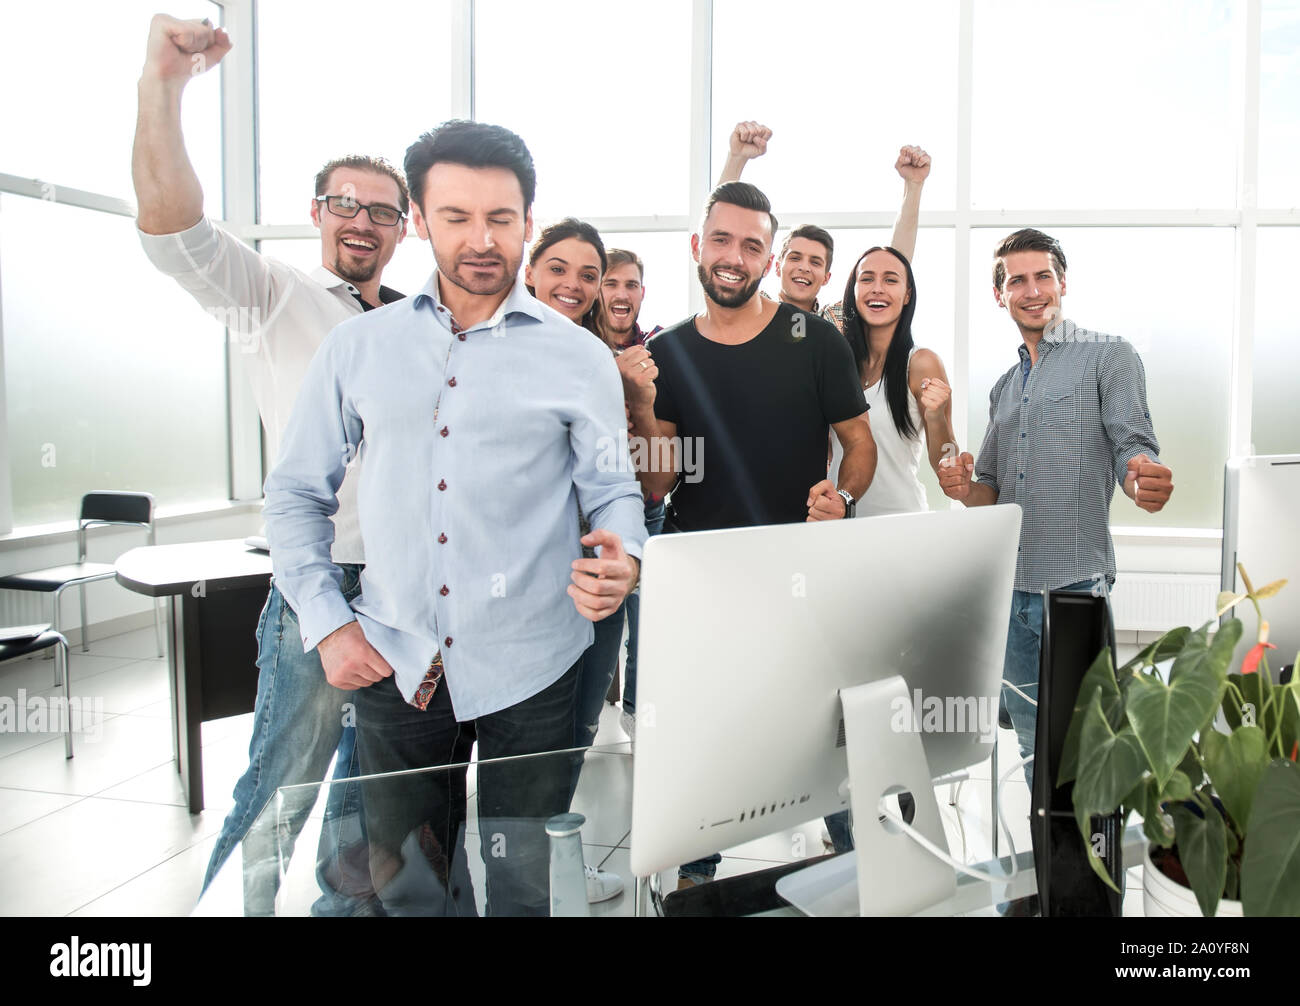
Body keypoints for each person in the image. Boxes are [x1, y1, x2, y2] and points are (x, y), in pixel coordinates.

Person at [261, 119, 646, 916]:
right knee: (411, 888)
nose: (481, 239)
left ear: (527, 224)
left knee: (522, 886)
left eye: (501, 219)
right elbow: (297, 494)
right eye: (456, 217)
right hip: (395, 666)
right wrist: (329, 623)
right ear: (421, 222)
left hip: (536, 666)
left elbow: (613, 492)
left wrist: (625, 557)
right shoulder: (358, 348)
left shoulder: (578, 357)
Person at [133, 13, 407, 915]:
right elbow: (174, 231)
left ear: (401, 230)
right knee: (280, 781)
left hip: (408, 589)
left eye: (381, 210)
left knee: (372, 792)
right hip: (316, 587)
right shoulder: (275, 294)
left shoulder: (418, 326)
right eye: (344, 204)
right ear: (316, 212)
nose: (361, 221)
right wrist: (163, 87)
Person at [619, 180, 875, 886]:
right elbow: (656, 482)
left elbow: (858, 444)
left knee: (825, 727)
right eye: (722, 241)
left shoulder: (815, 340)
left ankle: (859, 862)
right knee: (706, 734)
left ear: (770, 257)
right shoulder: (667, 350)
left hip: (799, 570)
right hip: (701, 574)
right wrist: (642, 404)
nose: (735, 257)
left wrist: (843, 495)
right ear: (699, 249)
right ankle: (697, 875)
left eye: (752, 244)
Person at [938, 228, 1174, 788]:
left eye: (1043, 275)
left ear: (1062, 282)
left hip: (1074, 591)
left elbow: (1131, 443)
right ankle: (1051, 874)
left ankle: (1088, 876)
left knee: (1084, 755)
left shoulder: (1108, 354)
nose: (1032, 288)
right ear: (1001, 295)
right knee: (1032, 752)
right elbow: (989, 492)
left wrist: (1142, 478)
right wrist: (960, 486)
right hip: (1012, 599)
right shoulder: (1003, 387)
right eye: (1016, 279)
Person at [521, 217, 627, 904]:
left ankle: (556, 870)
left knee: (576, 728)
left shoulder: (595, 357)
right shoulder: (487, 347)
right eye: (559, 268)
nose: (576, 285)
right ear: (531, 268)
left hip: (591, 574)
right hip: (518, 586)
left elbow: (622, 480)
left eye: (588, 275)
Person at [716, 121, 931, 319]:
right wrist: (736, 158)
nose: (804, 267)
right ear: (777, 266)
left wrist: (913, 187)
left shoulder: (838, 320)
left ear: (827, 277)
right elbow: (717, 230)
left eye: (815, 262)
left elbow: (896, 263)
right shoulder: (753, 306)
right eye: (795, 258)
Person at [828, 246, 958, 516]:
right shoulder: (836, 365)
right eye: (866, 279)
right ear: (853, 290)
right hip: (838, 524)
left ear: (907, 293)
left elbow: (947, 458)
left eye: (890, 279)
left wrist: (936, 417)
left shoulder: (921, 363)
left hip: (902, 526)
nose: (877, 288)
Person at [594, 249, 665, 741]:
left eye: (632, 284)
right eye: (612, 283)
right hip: (589, 513)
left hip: (648, 506)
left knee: (649, 628)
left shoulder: (658, 348)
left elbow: (664, 444)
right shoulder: (577, 345)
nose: (622, 294)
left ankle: (639, 719)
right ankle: (585, 721)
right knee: (595, 629)